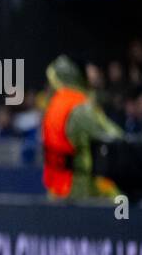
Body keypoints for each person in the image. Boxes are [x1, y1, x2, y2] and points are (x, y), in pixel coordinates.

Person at [41, 55, 123, 198]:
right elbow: (114, 137)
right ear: (78, 73)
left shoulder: (56, 104)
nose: (95, 73)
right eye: (90, 69)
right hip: (80, 190)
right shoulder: (79, 107)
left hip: (58, 189)